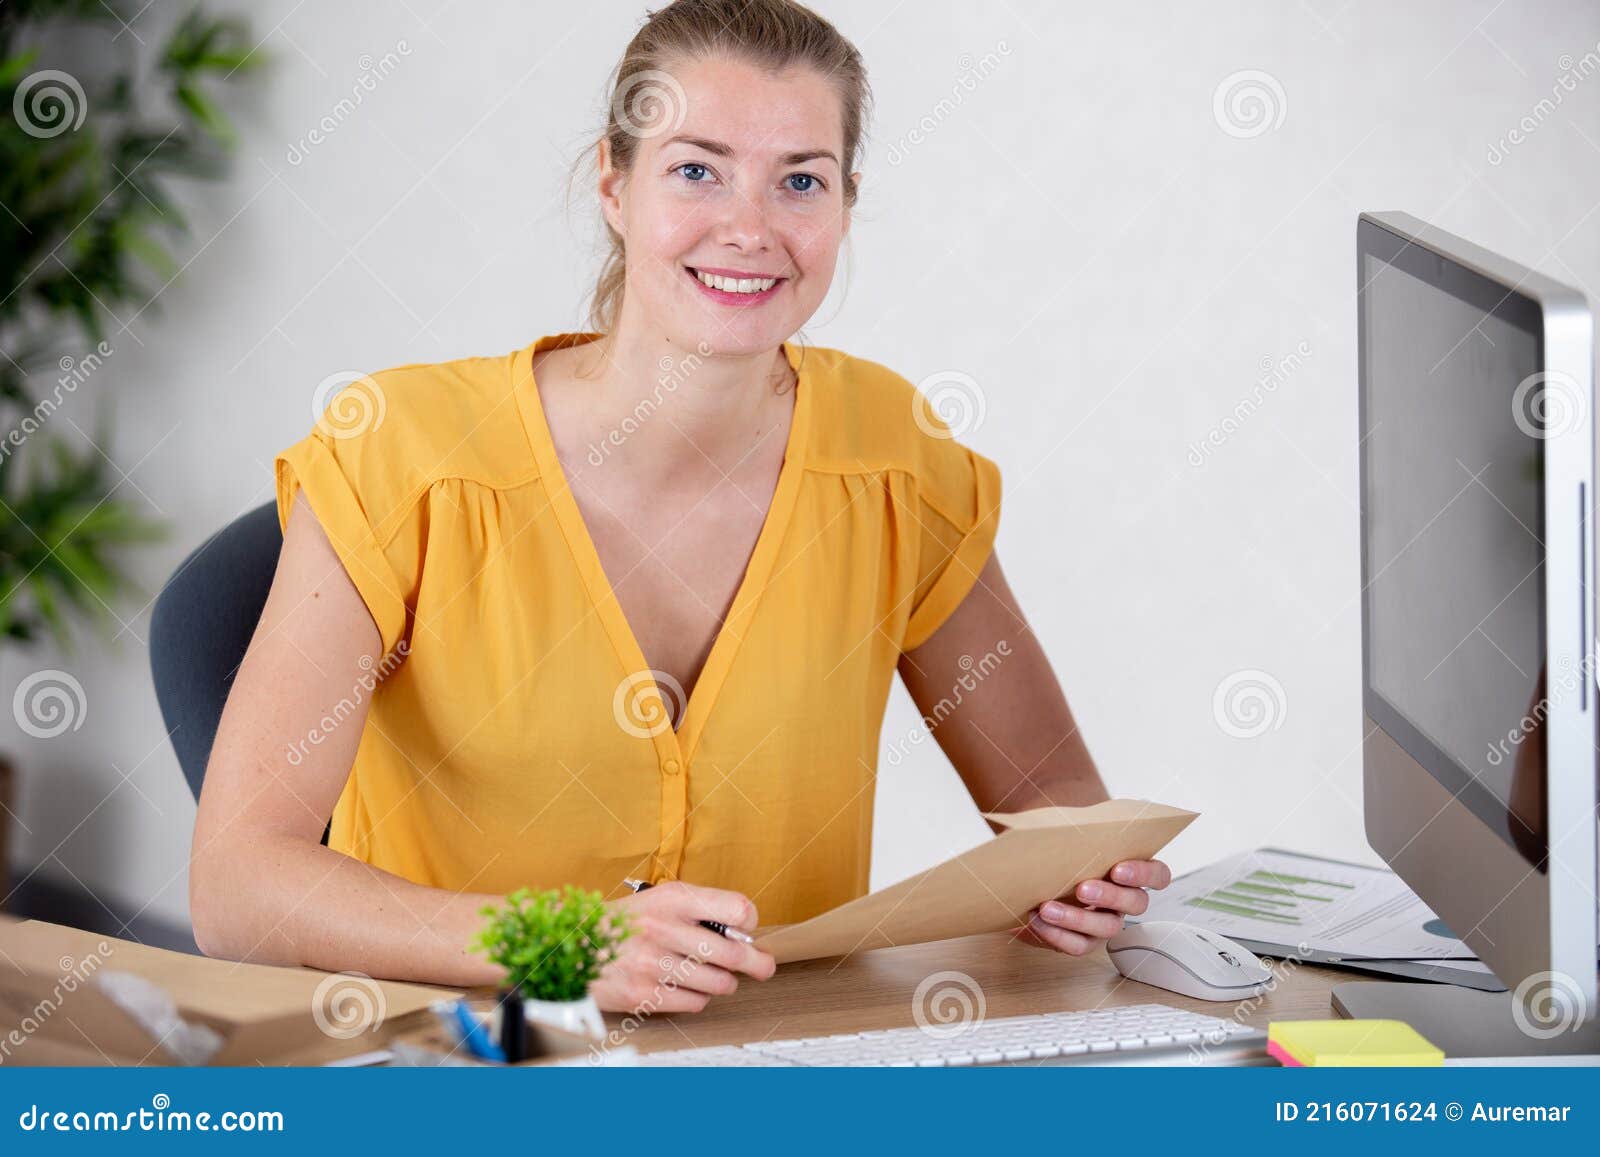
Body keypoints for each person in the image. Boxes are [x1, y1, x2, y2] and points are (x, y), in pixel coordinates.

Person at [190, 0, 1172, 1015]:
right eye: (697, 170)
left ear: (846, 205)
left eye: (800, 181)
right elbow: (236, 885)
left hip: (773, 1061)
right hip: (462, 1060)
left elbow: (1054, 799)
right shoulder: (402, 453)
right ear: (614, 186)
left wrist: (1080, 878)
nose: (750, 228)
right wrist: (559, 944)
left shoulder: (892, 458)